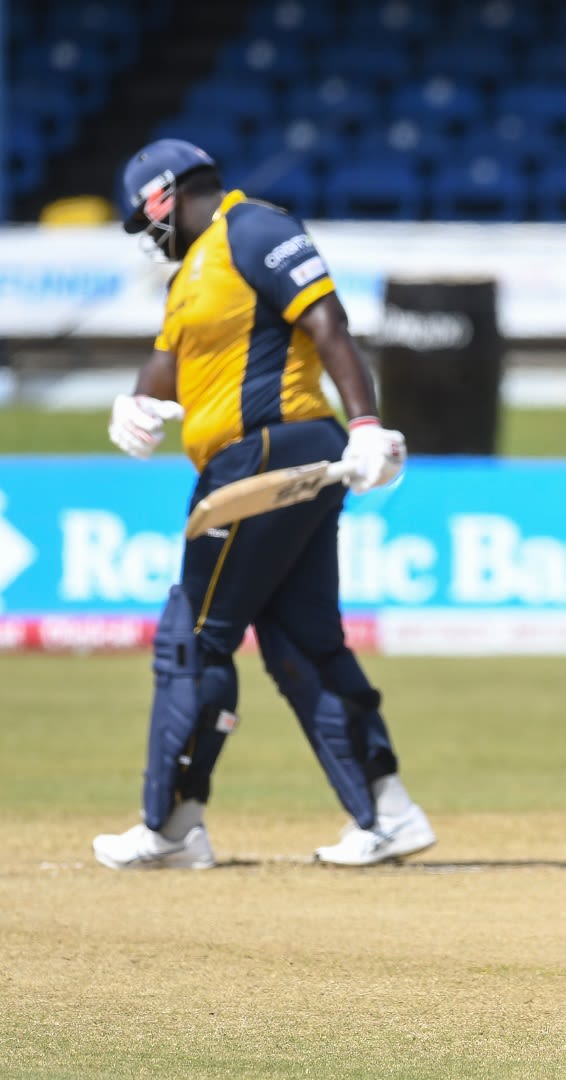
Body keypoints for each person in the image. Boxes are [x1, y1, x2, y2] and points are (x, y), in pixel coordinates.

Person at [92, 138, 436, 870]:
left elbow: (327, 323)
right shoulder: (193, 274)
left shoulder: (254, 230)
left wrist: (367, 423)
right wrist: (138, 399)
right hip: (262, 459)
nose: (149, 236)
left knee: (193, 635)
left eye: (146, 220)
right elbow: (169, 355)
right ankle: (389, 813)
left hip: (269, 453)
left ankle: (173, 824)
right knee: (301, 643)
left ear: (163, 197)